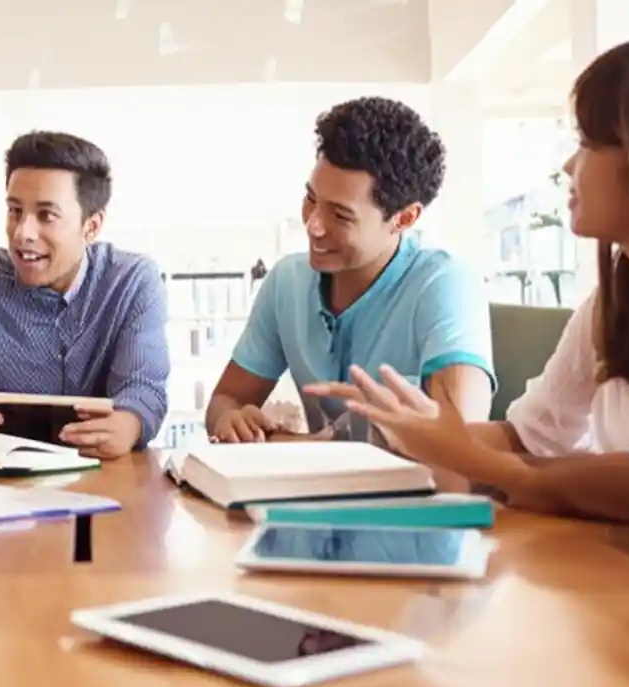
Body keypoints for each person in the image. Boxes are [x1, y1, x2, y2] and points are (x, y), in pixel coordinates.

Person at [305, 32, 629, 537]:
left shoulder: (442, 279)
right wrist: (414, 434)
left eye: (586, 143)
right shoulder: (613, 306)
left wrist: (470, 456)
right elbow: (530, 437)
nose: (568, 166)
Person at [207, 97, 495, 444]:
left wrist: (295, 444)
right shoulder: (287, 282)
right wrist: (231, 420)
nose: (313, 225)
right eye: (311, 199)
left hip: (404, 483)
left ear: (404, 218)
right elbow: (225, 400)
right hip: (312, 478)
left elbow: (459, 438)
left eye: (341, 215)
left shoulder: (445, 284)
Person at [0, 131, 170, 459]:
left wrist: (130, 423)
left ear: (92, 226)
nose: (22, 233)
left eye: (47, 216)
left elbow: (144, 390)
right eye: (15, 211)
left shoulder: (132, 281)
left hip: (107, 476)